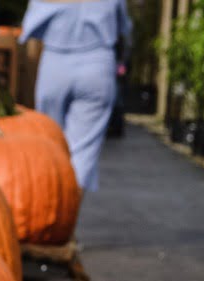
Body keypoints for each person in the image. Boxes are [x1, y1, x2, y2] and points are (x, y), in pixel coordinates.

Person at [20, 0, 133, 190]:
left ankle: (49, 209)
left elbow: (29, 28)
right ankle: (67, 214)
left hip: (54, 63)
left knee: (50, 144)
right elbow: (124, 29)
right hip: (97, 62)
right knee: (82, 153)